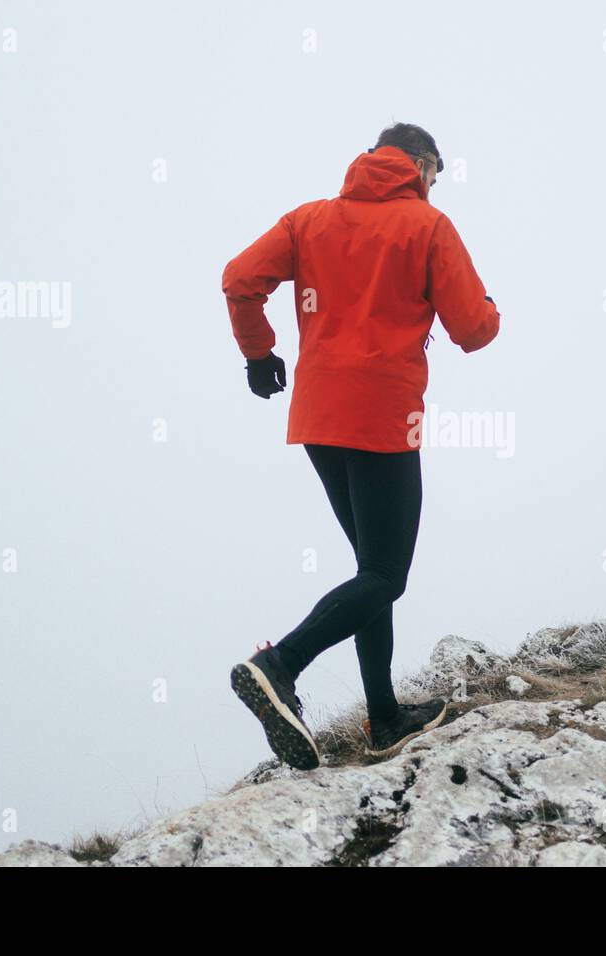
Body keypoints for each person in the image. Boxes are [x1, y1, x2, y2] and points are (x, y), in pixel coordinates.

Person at [221, 123, 500, 769]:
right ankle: (278, 664)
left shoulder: (310, 219)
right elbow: (473, 330)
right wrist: (489, 307)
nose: (436, 185)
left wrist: (259, 355)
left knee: (370, 570)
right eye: (438, 173)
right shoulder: (427, 226)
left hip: (319, 417)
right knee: (384, 574)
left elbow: (240, 280)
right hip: (380, 416)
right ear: (423, 166)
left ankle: (383, 718)